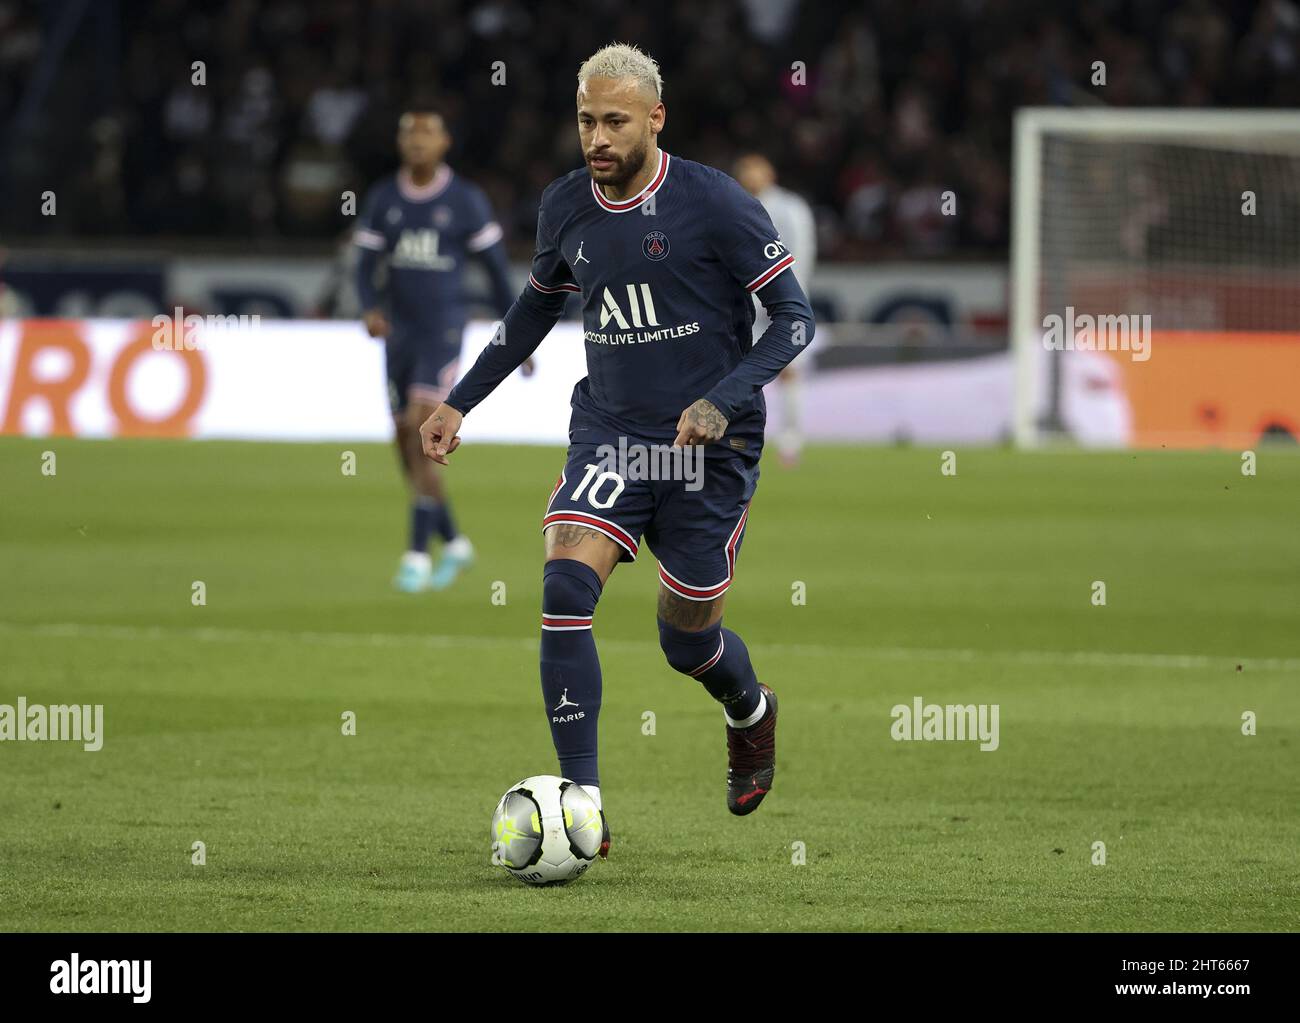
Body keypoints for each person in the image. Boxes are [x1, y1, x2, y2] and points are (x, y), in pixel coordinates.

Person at [419, 44, 814, 853]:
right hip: (613, 434)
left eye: (615, 122)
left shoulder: (716, 202)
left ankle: (751, 709)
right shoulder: (565, 204)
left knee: (686, 641)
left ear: (655, 119)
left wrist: (722, 399)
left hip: (709, 448)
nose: (597, 138)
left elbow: (794, 318)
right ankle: (584, 806)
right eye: (586, 121)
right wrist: (459, 400)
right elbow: (532, 310)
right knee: (565, 583)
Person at [354, 108, 517, 591]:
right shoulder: (384, 198)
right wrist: (368, 308)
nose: (417, 142)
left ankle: (417, 554)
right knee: (403, 442)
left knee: (418, 426)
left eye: (427, 133)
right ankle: (456, 542)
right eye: (409, 134)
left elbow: (493, 270)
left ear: (445, 142)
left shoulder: (465, 201)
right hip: (399, 334)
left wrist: (518, 335)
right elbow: (363, 266)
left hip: (442, 331)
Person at [735, 153, 817, 467]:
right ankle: (739, 438)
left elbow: (802, 254)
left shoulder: (790, 207)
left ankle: (791, 441)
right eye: (744, 170)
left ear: (769, 173)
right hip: (745, 306)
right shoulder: (735, 204)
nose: (749, 175)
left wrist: (790, 298)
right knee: (738, 370)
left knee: (789, 372)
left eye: (754, 169)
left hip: (780, 305)